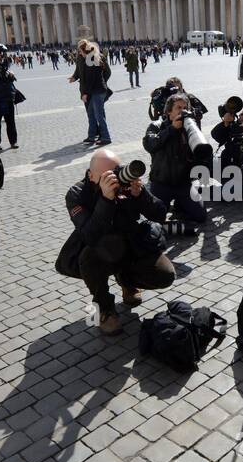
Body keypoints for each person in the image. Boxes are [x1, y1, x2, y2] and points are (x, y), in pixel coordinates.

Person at [65, 147, 175, 336]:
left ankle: (127, 282)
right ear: (91, 176)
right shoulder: (77, 194)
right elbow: (90, 235)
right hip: (100, 251)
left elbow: (160, 214)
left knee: (165, 275)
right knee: (88, 257)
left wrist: (141, 195)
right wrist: (106, 199)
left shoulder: (126, 184)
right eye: (107, 175)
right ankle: (105, 309)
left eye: (116, 172)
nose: (115, 179)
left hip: (131, 245)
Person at [143, 92, 209, 226]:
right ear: (169, 111)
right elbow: (150, 144)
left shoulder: (189, 128)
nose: (183, 111)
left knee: (200, 216)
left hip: (183, 184)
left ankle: (180, 206)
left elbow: (199, 154)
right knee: (154, 219)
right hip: (161, 182)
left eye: (186, 108)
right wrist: (172, 129)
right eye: (179, 108)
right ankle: (172, 206)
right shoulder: (156, 125)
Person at [71, 38, 112, 148]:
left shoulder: (91, 61)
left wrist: (85, 94)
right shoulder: (91, 58)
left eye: (80, 51)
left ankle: (106, 137)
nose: (79, 54)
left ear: (85, 51)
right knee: (91, 114)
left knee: (98, 115)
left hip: (97, 91)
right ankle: (92, 136)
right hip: (96, 90)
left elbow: (90, 80)